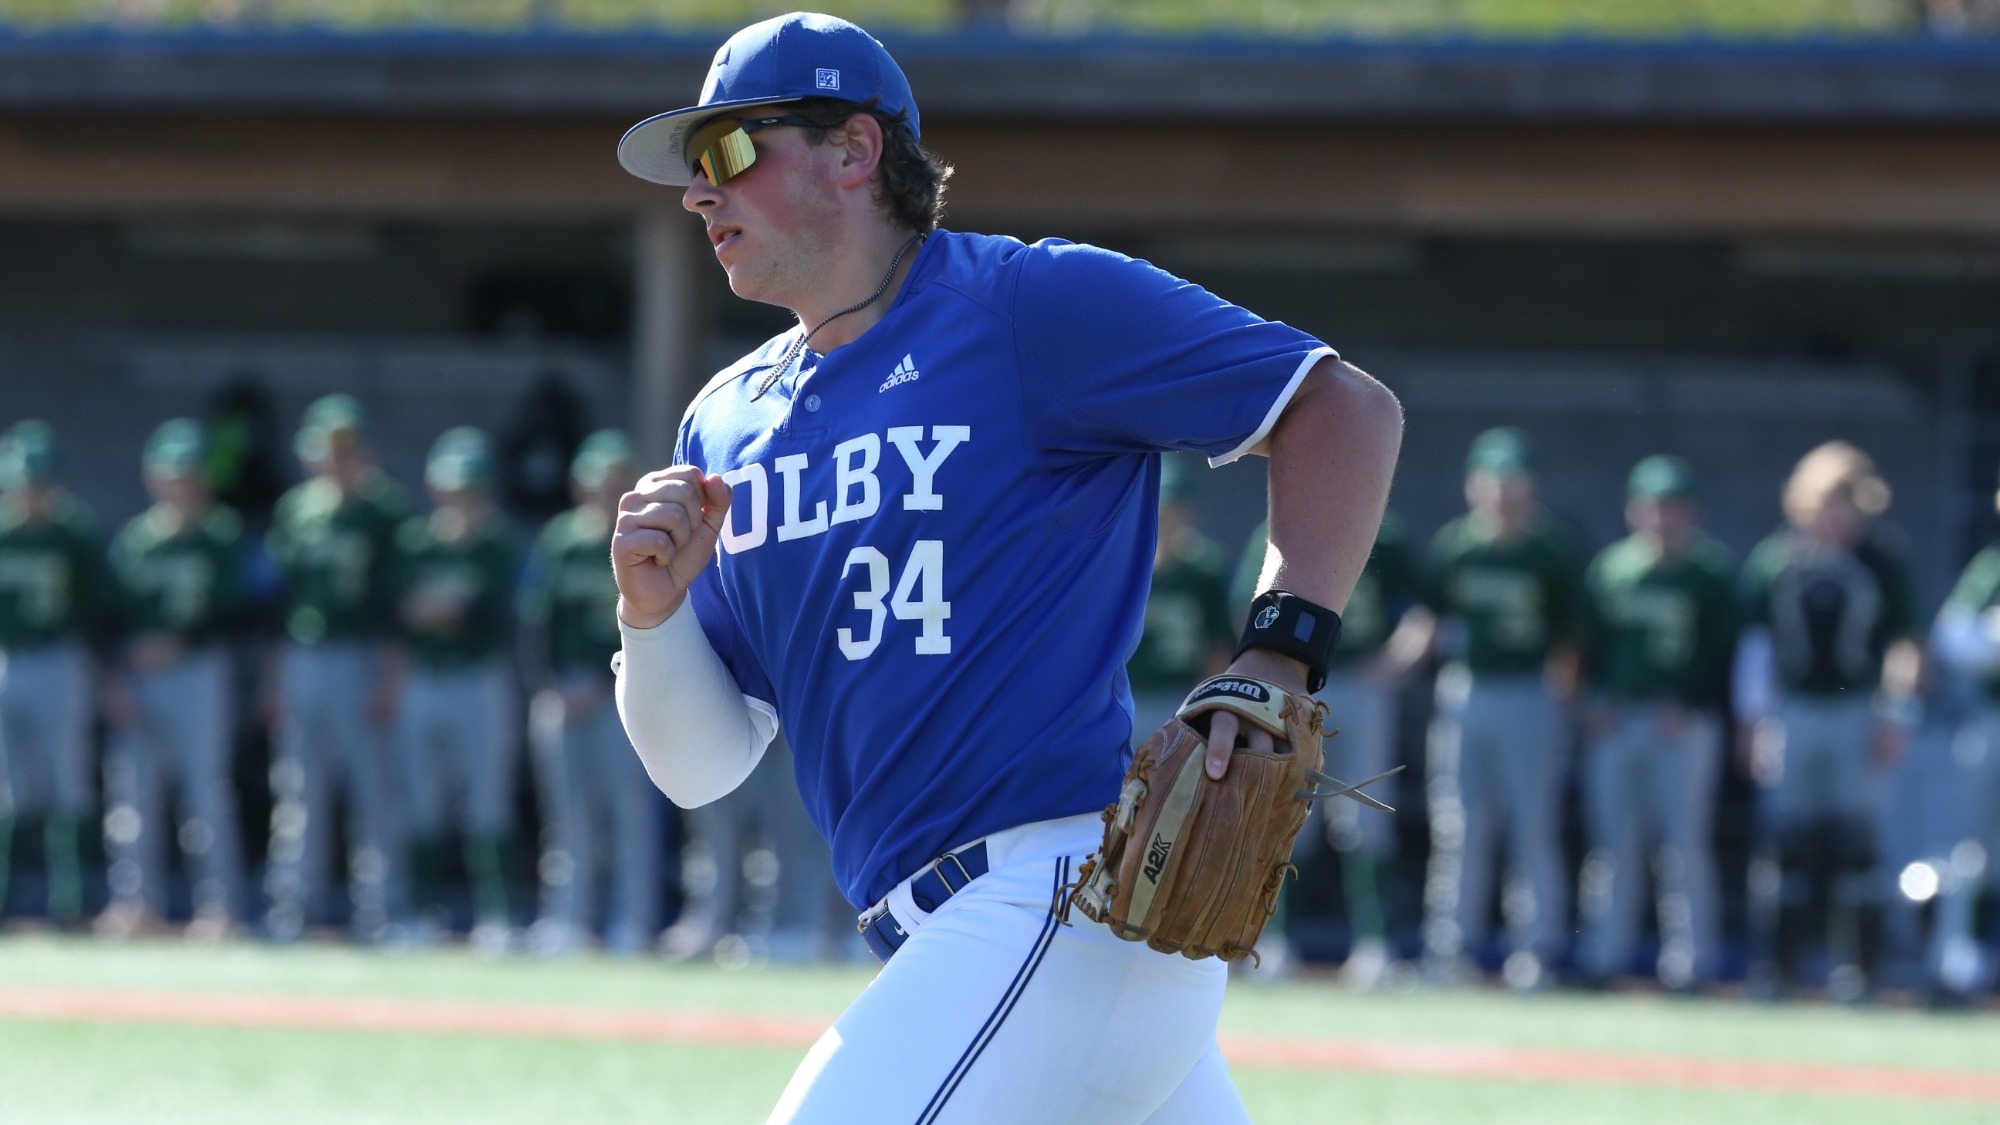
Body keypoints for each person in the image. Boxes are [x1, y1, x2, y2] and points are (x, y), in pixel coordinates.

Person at [609, 14, 1401, 1121]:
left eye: (733, 150)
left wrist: (1280, 650)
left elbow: (1339, 407)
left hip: (1059, 897)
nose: (701, 191)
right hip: (961, 941)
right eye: (694, 170)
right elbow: (702, 766)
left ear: (853, 150)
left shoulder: (1028, 304)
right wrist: (651, 619)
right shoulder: (723, 421)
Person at [1390, 426, 1584, 991]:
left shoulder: (1551, 549)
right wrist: (1392, 669)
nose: (1502, 493)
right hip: (1467, 689)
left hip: (1529, 690)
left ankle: (1538, 949)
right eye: (1492, 481)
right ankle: (1450, 948)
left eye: (1513, 481)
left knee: (1532, 824)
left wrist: (1563, 697)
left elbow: (1571, 638)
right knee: (1460, 825)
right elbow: (1429, 619)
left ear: (1532, 486)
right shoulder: (1458, 545)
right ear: (1474, 486)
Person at [1735, 441, 1921, 1002]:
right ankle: (1778, 971)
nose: (1838, 518)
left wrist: (1897, 713)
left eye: (1849, 504)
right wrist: (1751, 720)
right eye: (1827, 503)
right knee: (1788, 845)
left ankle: (1859, 972)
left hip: (1857, 710)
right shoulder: (1778, 560)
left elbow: (1905, 645)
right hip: (1795, 710)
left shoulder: (1881, 560)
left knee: (1856, 845)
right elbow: (1757, 647)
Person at [1233, 512, 1419, 985]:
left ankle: (1375, 946)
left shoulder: (1386, 533)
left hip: (1358, 679)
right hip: (1299, 687)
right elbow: (1245, 607)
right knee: (1282, 812)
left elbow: (1422, 613)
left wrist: (1393, 664)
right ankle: (1273, 944)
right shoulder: (1273, 529)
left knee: (1365, 818)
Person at [1573, 456, 1737, 991]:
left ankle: (1690, 963)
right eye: (1652, 506)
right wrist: (1593, 701)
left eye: (1672, 507)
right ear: (1634, 510)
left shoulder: (1710, 572)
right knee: (1612, 845)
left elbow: (1727, 655)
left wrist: (1690, 701)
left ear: (1690, 512)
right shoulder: (1612, 568)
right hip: (1619, 718)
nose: (1662, 517)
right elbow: (1588, 647)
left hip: (1683, 723)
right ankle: (1603, 956)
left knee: (1683, 845)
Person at [262, 395, 411, 942]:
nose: (336, 461)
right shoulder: (296, 510)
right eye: (327, 450)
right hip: (305, 652)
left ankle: (380, 911)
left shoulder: (384, 511)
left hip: (363, 652)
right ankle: (291, 909)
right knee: (300, 789)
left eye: (346, 451)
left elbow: (397, 605)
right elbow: (279, 602)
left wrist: (391, 676)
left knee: (371, 788)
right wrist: (274, 679)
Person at [97, 419, 251, 941]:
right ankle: (136, 904)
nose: (181, 484)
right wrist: (115, 680)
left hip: (197, 672)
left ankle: (220, 907)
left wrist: (175, 643)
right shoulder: (137, 540)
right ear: (153, 478)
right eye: (172, 474)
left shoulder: (220, 534)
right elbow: (110, 620)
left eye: (190, 474)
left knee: (205, 791)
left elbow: (235, 611)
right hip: (139, 677)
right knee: (133, 795)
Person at [521, 430, 664, 957]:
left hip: (623, 696)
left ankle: (633, 922)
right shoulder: (562, 540)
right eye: (597, 483)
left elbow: (657, 628)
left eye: (616, 483)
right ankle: (569, 920)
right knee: (568, 819)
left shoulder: (647, 538)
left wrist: (606, 688)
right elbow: (534, 624)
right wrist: (549, 686)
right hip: (565, 692)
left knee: (629, 814)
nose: (606, 494)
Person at [384, 427, 523, 952]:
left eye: (469, 488)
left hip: (477, 676)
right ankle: (422, 913)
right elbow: (399, 611)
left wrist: (439, 611)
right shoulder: (417, 541)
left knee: (487, 802)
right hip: (424, 675)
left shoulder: (495, 542)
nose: (459, 498)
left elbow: (481, 615)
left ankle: (499, 915)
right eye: (451, 487)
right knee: (421, 802)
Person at [0, 420, 108, 928]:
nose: (31, 495)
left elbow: (98, 608)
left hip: (59, 658)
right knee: (9, 788)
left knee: (67, 779)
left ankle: (73, 900)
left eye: (38, 484)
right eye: (23, 484)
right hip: (7, 658)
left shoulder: (73, 533)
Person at [1930, 465, 2000, 999]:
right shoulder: (1991, 567)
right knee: (1973, 850)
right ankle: (1958, 962)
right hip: (1992, 722)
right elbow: (1951, 639)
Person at [1126, 456, 1235, 741]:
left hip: (1181, 696)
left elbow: (1219, 643)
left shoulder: (1204, 570)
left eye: (1175, 510)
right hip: (1129, 697)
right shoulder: (1124, 566)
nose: (1168, 519)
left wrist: (1204, 704)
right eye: (1162, 510)